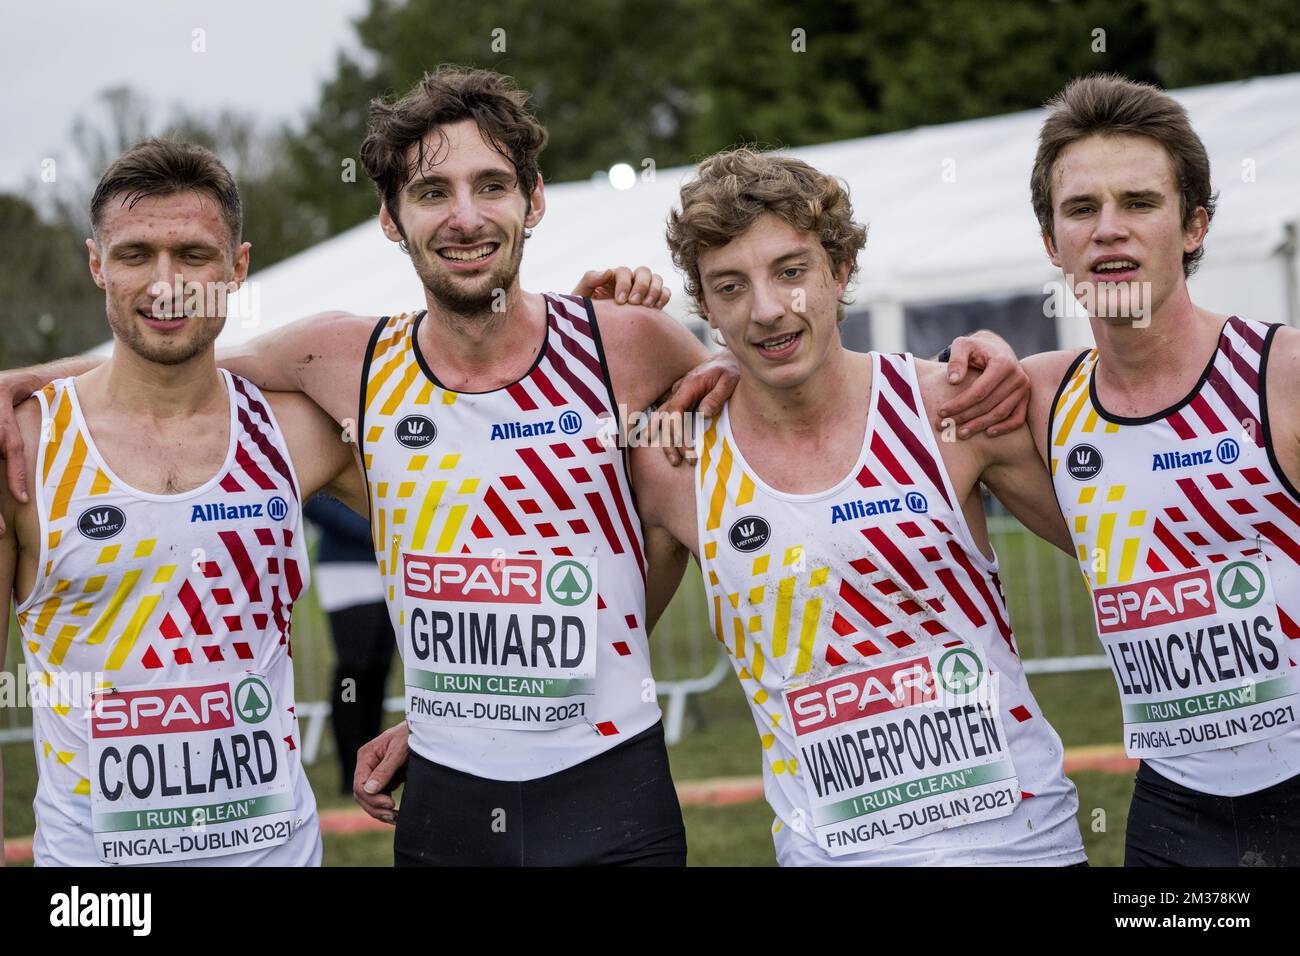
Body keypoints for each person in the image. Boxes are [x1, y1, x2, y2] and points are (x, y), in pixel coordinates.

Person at [0, 67, 1026, 867]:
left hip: (613, 790)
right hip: (446, 808)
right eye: (431, 189)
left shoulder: (628, 343)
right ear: (389, 217)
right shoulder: (340, 356)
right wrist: (25, 384)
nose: (464, 213)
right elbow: (176, 347)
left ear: (534, 200)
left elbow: (743, 427)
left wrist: (958, 365)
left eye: (492, 184)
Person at [632, 147, 1087, 865]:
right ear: (707, 307)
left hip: (1017, 844)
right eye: (730, 286)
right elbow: (603, 644)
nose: (768, 309)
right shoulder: (674, 466)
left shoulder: (953, 406)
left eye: (791, 271)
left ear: (839, 271)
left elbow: (1130, 562)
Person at [0, 138, 366, 865]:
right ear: (98, 264)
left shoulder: (296, 433)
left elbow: (470, 506)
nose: (166, 283)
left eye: (194, 256)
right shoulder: (26, 451)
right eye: (135, 255)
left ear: (237, 268)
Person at [1015, 74, 1300, 866]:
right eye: (1082, 209)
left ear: (1194, 226)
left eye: (1139, 203)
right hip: (1173, 814)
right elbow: (844, 395)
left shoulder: (1281, 375)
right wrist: (710, 373)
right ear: (1051, 242)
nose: (1109, 231)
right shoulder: (1034, 400)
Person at [303, 495, 394, 794]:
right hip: (346, 567)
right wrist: (374, 530)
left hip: (387, 566)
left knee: (379, 669)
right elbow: (315, 502)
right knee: (354, 668)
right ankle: (350, 769)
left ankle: (376, 766)